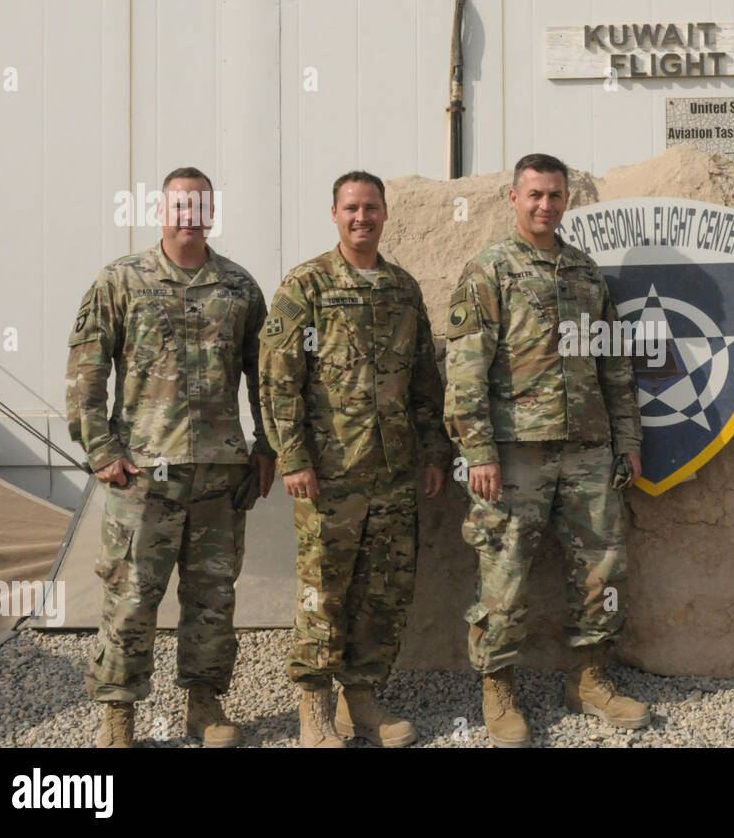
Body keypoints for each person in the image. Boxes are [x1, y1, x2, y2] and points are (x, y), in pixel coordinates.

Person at [66, 166, 275, 748]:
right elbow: (87, 367)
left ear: (211, 213)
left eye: (199, 205)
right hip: (142, 477)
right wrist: (100, 449)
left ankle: (205, 707)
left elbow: (266, 376)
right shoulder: (121, 281)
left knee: (212, 598)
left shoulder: (238, 288)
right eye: (178, 205)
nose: (189, 215)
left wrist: (266, 444)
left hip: (217, 476)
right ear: (161, 211)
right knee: (131, 599)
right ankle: (118, 715)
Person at [443, 153, 647, 747]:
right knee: (504, 574)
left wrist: (627, 440)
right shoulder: (489, 272)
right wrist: (478, 450)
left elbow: (614, 367)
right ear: (513, 199)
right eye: (534, 194)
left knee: (602, 568)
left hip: (588, 450)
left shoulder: (586, 274)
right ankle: (497, 688)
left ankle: (588, 679)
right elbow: (464, 373)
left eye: (555, 195)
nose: (545, 205)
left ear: (565, 201)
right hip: (513, 456)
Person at [259, 170, 451, 747]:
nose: (361, 217)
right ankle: (313, 709)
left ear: (386, 214)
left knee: (383, 593)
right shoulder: (306, 286)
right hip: (329, 475)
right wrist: (292, 457)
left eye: (371, 207)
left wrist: (435, 451)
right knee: (325, 592)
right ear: (335, 214)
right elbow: (277, 380)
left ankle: (361, 701)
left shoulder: (402, 288)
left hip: (393, 473)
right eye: (351, 208)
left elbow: (424, 379)